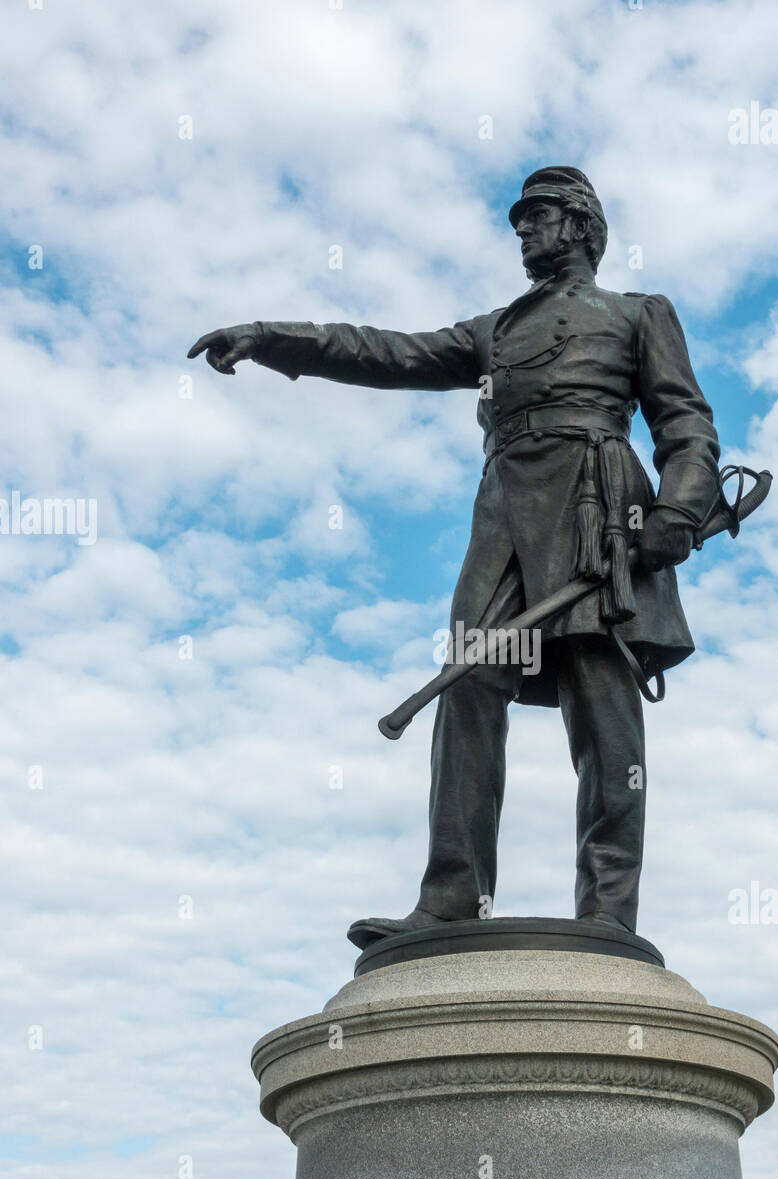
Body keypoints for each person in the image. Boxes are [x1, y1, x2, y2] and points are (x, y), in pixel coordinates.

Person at [188, 167, 722, 947]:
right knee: (467, 681)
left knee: (602, 707)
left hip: (596, 510)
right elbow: (388, 353)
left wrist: (677, 509)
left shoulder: (638, 313)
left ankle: (608, 909)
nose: (522, 234)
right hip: (505, 512)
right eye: (520, 222)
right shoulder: (494, 330)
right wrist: (274, 340)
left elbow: (687, 424)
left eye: (535, 219)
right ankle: (450, 898)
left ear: (577, 225)